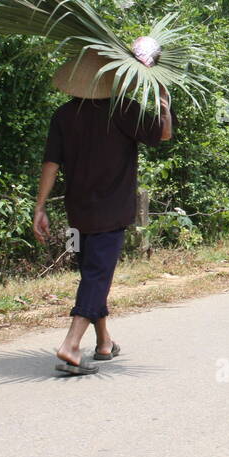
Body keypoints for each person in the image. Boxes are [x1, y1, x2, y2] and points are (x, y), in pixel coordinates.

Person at [33, 50, 173, 376]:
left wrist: (40, 206)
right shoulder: (123, 110)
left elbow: (50, 164)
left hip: (78, 212)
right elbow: (162, 135)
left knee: (92, 276)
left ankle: (104, 343)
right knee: (98, 277)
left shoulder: (63, 116)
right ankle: (70, 345)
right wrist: (164, 105)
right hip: (111, 211)